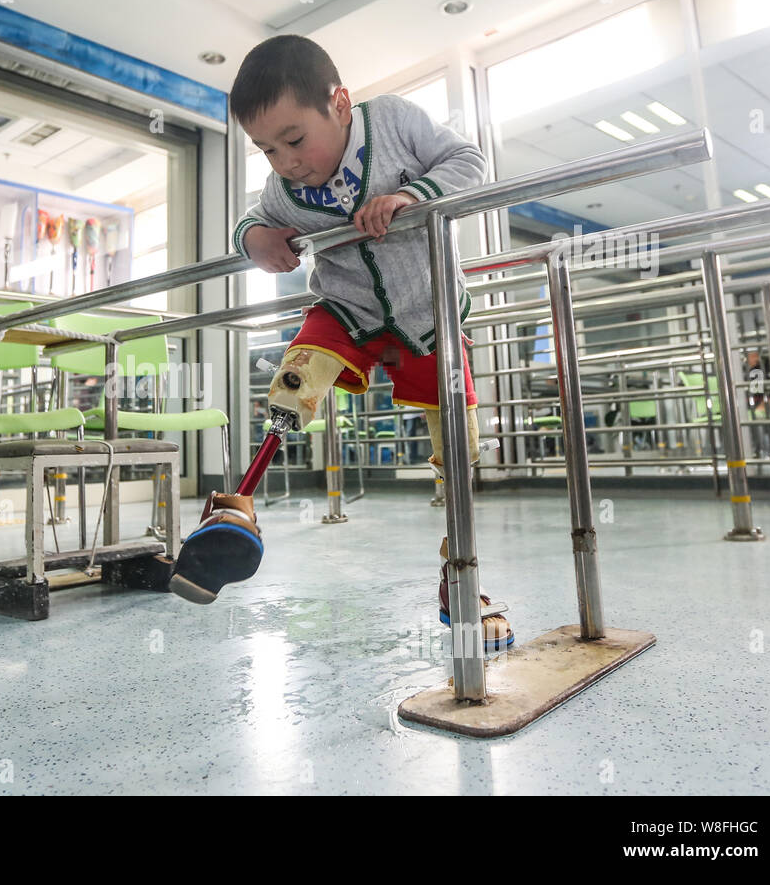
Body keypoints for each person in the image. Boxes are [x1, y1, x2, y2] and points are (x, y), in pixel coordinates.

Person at [169, 35, 512, 649]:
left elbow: (468, 163)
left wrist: (409, 198)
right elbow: (252, 219)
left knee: (456, 438)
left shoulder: (396, 122)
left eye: (295, 139)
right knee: (294, 377)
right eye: (266, 149)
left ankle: (461, 573)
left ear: (342, 103)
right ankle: (234, 511)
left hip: (427, 310)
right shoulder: (286, 189)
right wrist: (254, 240)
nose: (286, 161)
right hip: (345, 309)